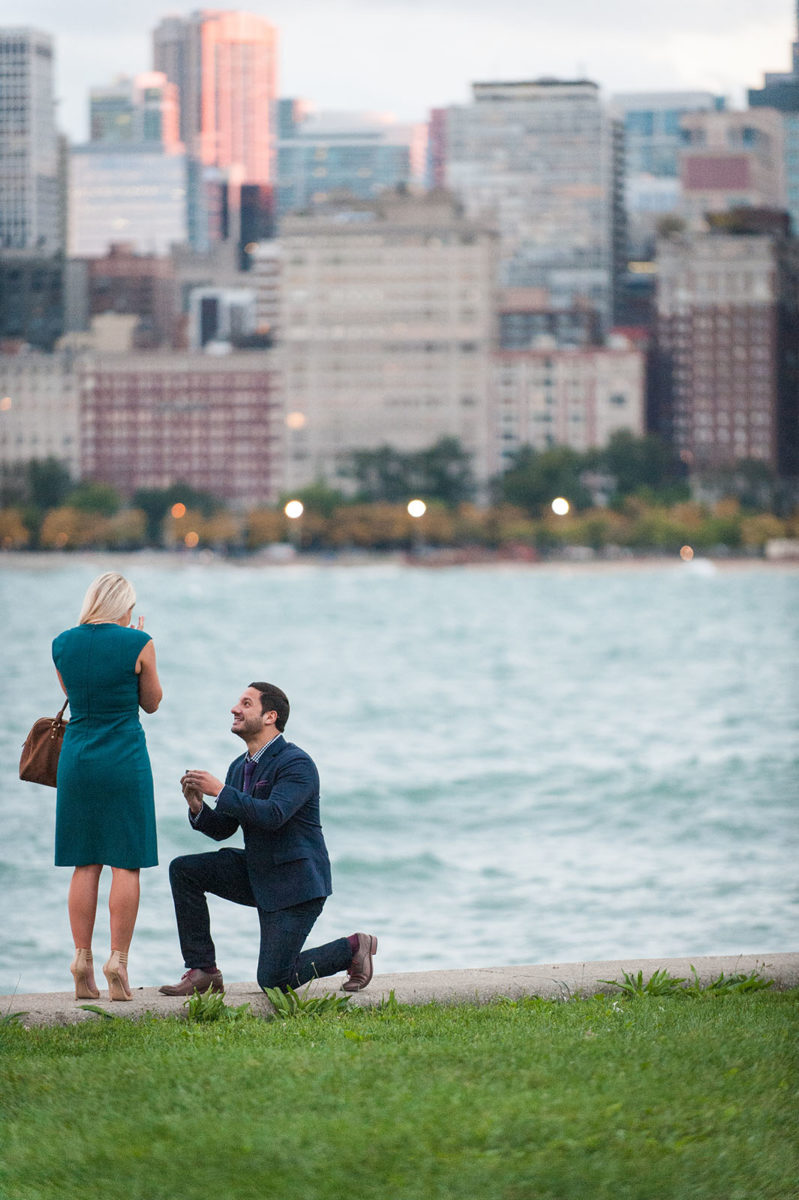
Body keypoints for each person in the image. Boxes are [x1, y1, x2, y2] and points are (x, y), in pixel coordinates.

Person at [159, 682, 377, 998]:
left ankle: (354, 947)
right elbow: (223, 828)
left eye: (246, 703)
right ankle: (203, 970)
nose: (235, 708)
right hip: (258, 871)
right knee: (184, 870)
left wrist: (220, 791)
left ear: (269, 716)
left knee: (274, 980)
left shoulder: (296, 763)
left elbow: (274, 814)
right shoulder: (239, 766)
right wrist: (197, 806)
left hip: (296, 885)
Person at [52, 571, 162, 1002]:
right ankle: (118, 960)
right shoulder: (139, 642)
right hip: (124, 760)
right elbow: (150, 703)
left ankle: (81, 958)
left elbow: (76, 696)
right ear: (125, 607)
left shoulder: (62, 643)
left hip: (77, 760)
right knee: (126, 862)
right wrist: (137, 644)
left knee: (85, 862)